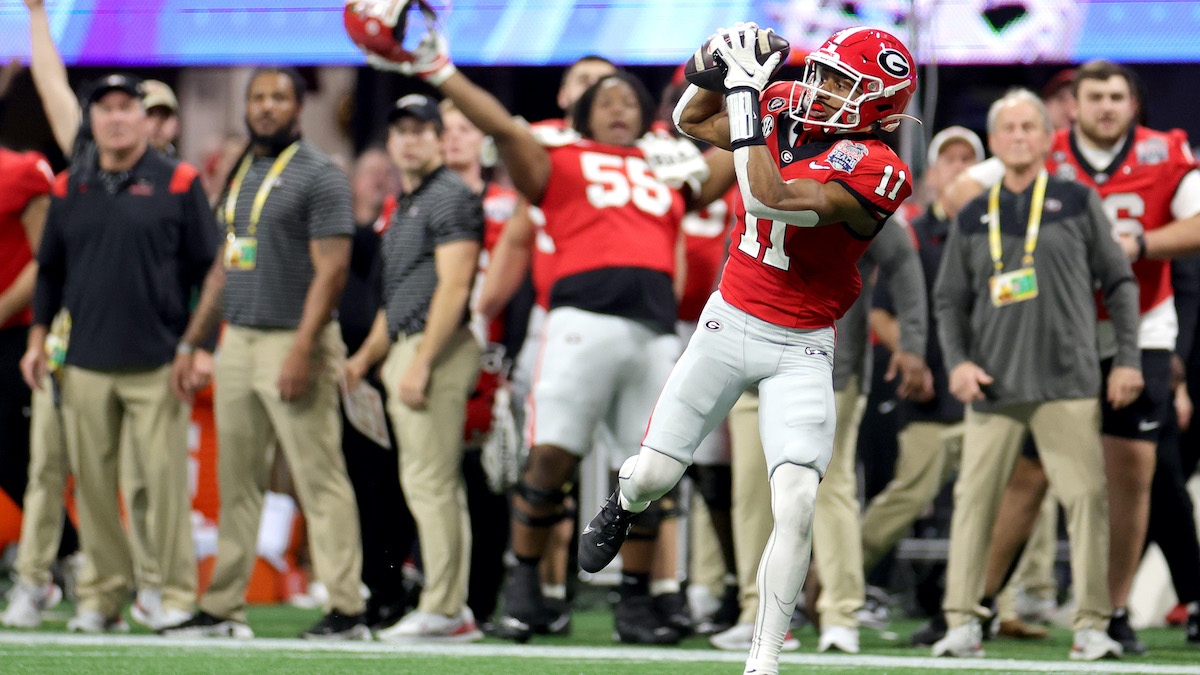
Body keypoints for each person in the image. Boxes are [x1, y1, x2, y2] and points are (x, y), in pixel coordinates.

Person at [366, 25, 730, 645]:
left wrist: (753, 100)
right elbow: (505, 130)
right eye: (605, 99)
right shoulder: (559, 156)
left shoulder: (666, 165)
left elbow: (732, 160)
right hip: (578, 324)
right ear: (580, 114)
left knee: (648, 474)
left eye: (629, 98)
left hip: (654, 332)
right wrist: (440, 70)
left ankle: (636, 603)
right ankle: (526, 590)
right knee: (551, 459)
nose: (619, 106)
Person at [579, 22, 919, 675]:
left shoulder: (880, 168)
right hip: (728, 320)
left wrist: (742, 96)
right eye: (822, 72)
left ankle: (764, 659)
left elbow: (771, 197)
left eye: (842, 83)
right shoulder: (785, 103)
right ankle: (624, 501)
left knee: (797, 500)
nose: (820, 88)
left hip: (803, 344)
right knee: (652, 475)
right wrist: (714, 59)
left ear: (878, 105)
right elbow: (688, 117)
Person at [957, 60, 1200, 653]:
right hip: (1057, 332)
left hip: (1138, 325)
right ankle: (976, 603)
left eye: (1117, 96)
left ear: (1133, 103)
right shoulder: (1043, 145)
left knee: (1132, 471)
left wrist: (1138, 244)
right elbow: (960, 193)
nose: (1106, 107)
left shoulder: (1165, 151)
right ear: (1074, 105)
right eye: (1095, 96)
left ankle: (1112, 608)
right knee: (1028, 472)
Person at [929, 88, 1140, 662]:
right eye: (1009, 128)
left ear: (1049, 138)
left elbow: (1120, 281)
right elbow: (948, 300)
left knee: (1086, 501)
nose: (1020, 136)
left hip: (1067, 382)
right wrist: (958, 362)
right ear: (994, 142)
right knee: (974, 504)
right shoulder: (974, 212)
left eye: (1030, 127)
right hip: (993, 385)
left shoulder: (1077, 200)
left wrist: (1127, 359)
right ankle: (962, 622)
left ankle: (1092, 625)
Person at [163, 67, 367, 641]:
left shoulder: (320, 174)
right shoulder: (242, 170)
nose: (266, 106)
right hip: (238, 339)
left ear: (298, 108)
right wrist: (193, 341)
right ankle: (223, 607)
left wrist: (303, 347)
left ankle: (347, 607)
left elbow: (333, 271)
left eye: (278, 97)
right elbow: (225, 266)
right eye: (257, 97)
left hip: (294, 338)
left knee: (319, 477)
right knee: (237, 481)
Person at [21, 73, 217, 633]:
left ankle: (174, 593)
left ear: (143, 117)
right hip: (85, 360)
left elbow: (212, 270)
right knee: (92, 488)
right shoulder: (69, 186)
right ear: (92, 120)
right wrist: (37, 340)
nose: (116, 118)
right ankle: (102, 598)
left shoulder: (179, 181)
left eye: (126, 107)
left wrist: (200, 346)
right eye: (104, 108)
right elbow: (50, 271)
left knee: (163, 484)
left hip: (159, 361)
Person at [344, 94, 486, 642]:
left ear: (439, 139)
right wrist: (365, 357)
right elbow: (401, 294)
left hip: (435, 348)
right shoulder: (407, 202)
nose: (409, 140)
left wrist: (422, 363)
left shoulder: (449, 196)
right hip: (411, 345)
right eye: (400, 131)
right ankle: (452, 607)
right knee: (432, 483)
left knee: (430, 483)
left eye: (420, 130)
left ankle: (444, 607)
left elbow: (455, 285)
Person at [339, 147, 417, 631]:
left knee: (396, 486)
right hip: (348, 376)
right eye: (370, 173)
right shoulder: (344, 237)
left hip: (391, 369)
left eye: (388, 174)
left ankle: (392, 583)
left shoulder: (402, 228)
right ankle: (368, 584)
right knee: (359, 486)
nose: (380, 180)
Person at [0, 142, 55, 629]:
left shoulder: (22, 172)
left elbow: (47, 259)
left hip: (17, 335)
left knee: (24, 458)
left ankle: (62, 559)